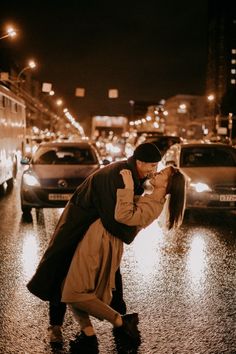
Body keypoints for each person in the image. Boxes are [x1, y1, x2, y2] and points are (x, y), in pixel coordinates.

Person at [27, 143, 162, 343]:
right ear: (139, 162)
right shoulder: (120, 175)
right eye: (151, 165)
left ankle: (121, 319)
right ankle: (55, 326)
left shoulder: (134, 176)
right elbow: (113, 217)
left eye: (156, 166)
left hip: (96, 229)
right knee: (62, 268)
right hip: (79, 224)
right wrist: (131, 232)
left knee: (112, 270)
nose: (154, 170)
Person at [60, 166, 186, 353]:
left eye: (162, 174)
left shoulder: (154, 205)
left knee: (73, 293)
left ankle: (120, 321)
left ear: (168, 185)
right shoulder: (151, 197)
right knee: (69, 289)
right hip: (98, 237)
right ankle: (88, 335)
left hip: (102, 242)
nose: (156, 173)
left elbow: (123, 215)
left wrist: (127, 187)